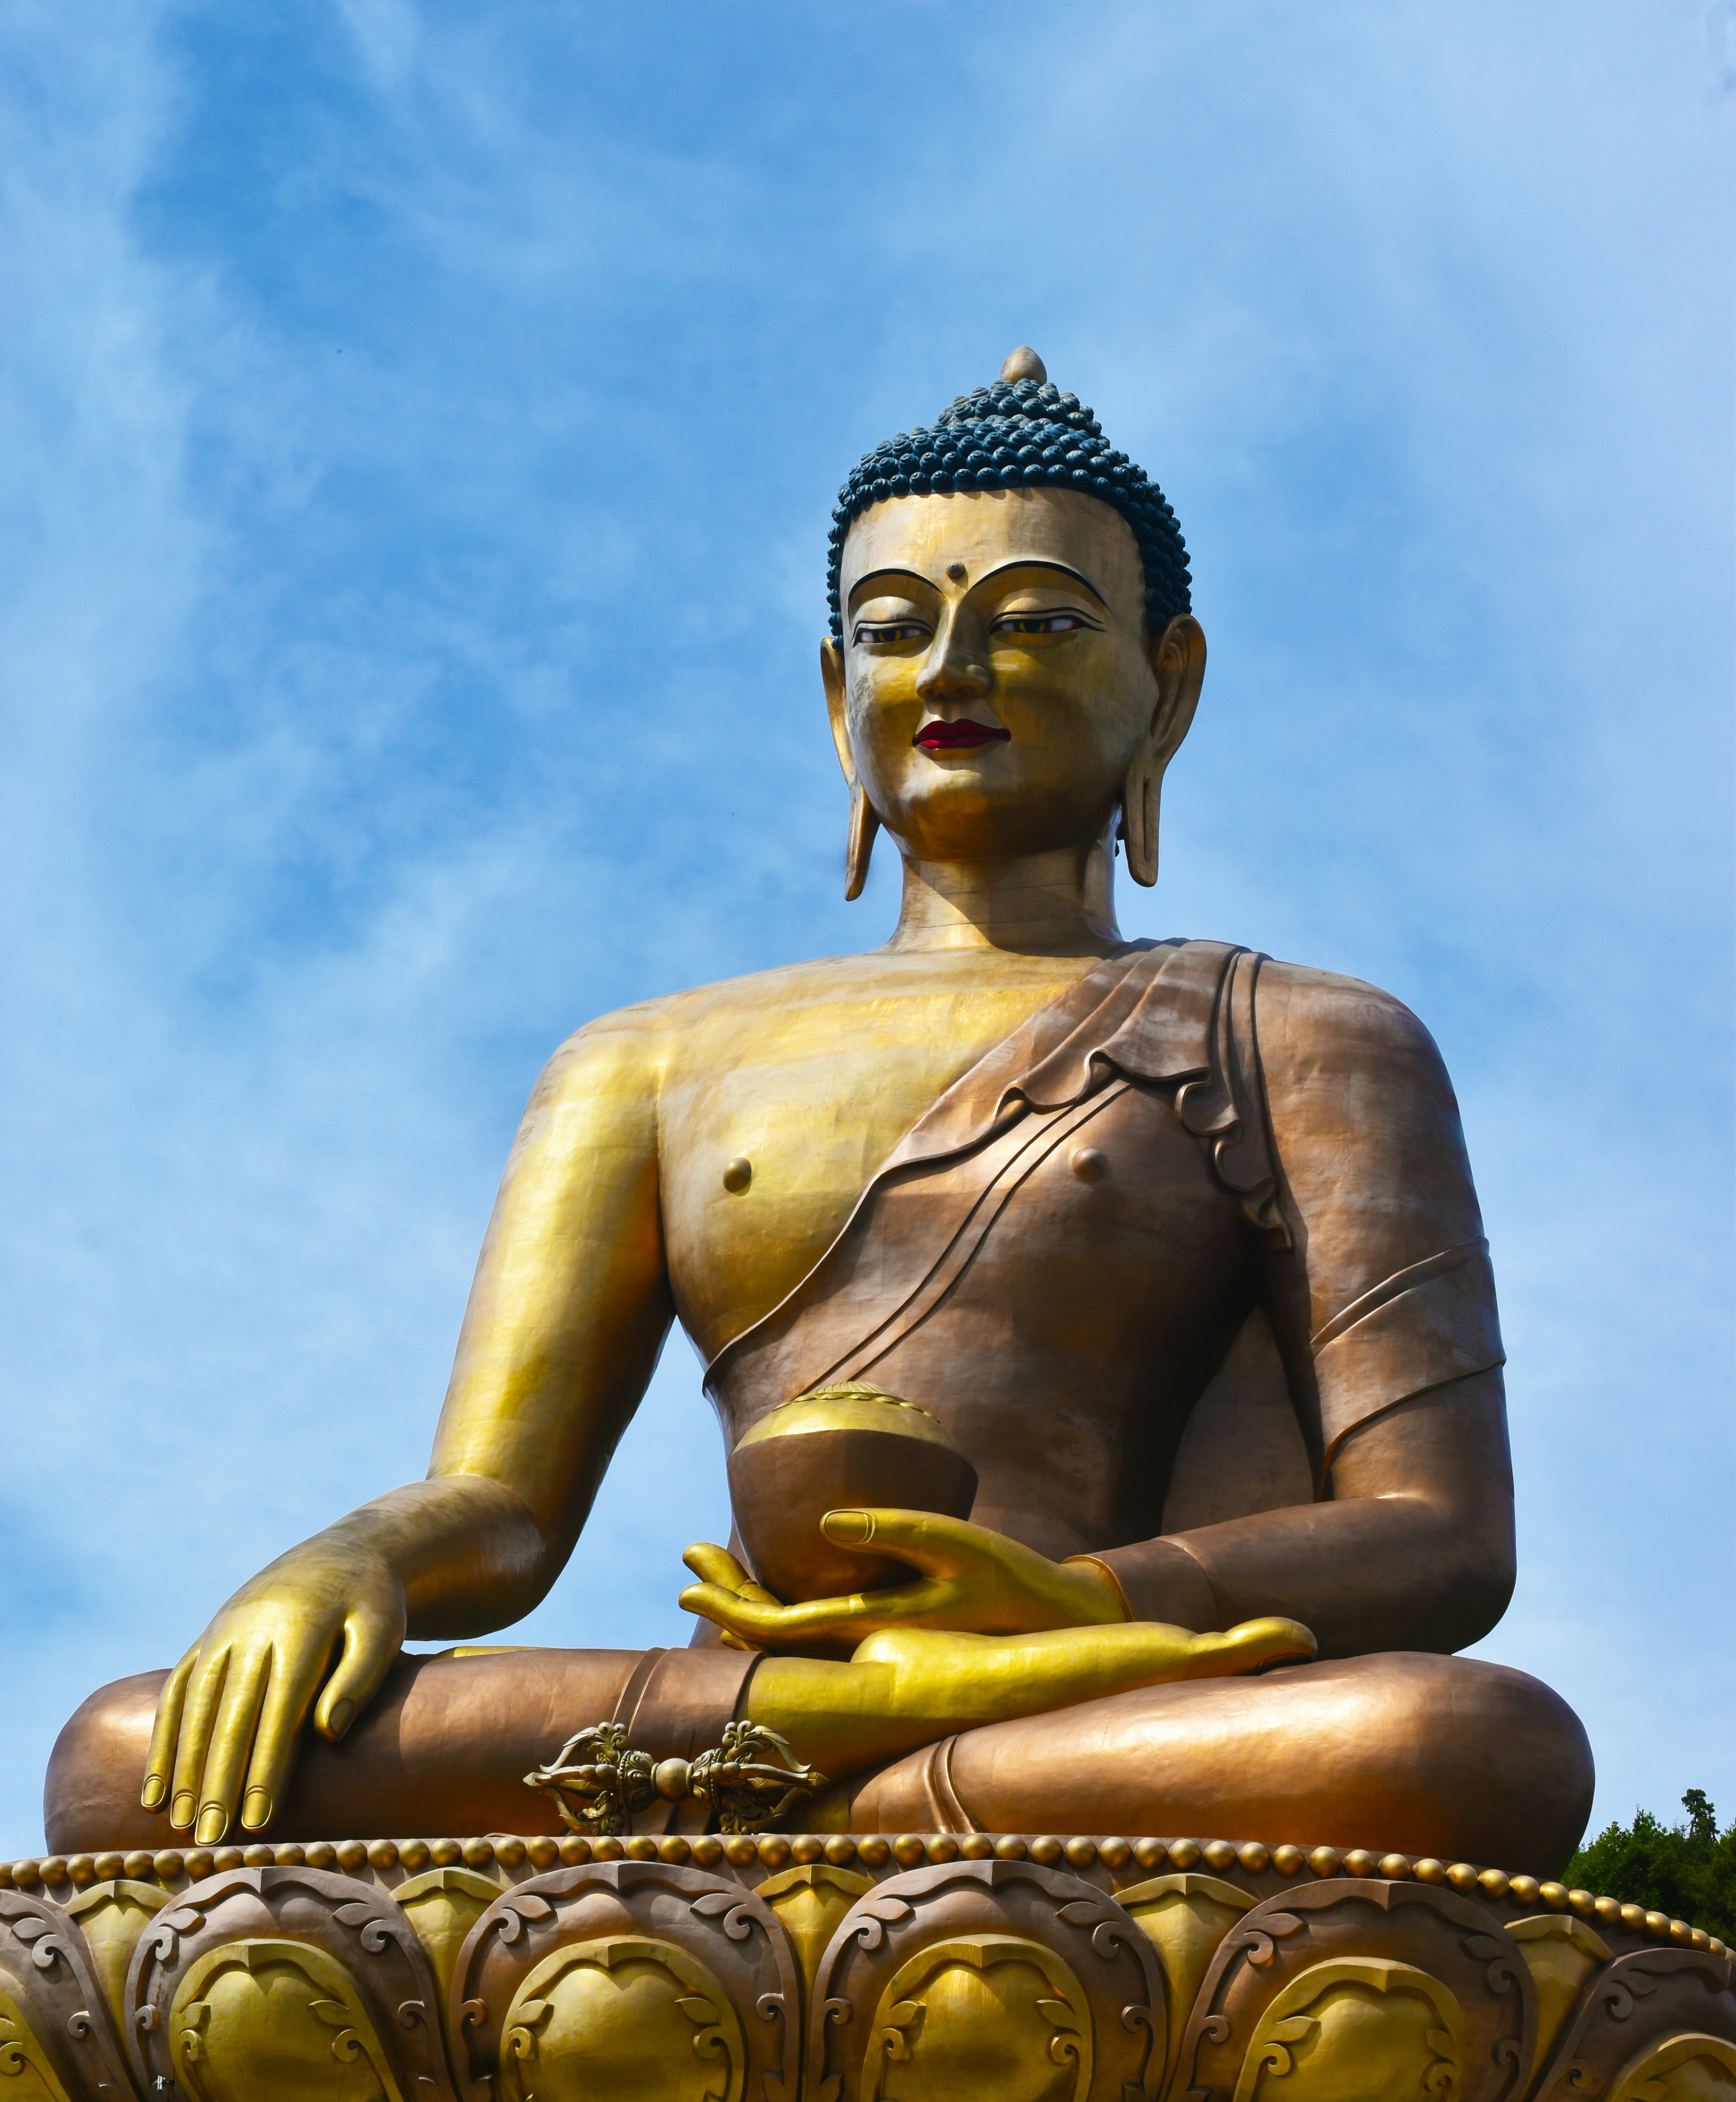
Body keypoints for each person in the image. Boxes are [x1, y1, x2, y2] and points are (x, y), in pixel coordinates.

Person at [46, 351, 1593, 1874]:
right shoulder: (646, 1057)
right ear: (833, 692)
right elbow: (504, 1507)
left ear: (1166, 686)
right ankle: (878, 1770)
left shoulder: (1309, 1036)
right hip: (830, 1696)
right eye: (893, 631)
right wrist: (350, 1557)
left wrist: (1068, 1613)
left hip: (1115, 1677)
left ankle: (784, 1813)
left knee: (1460, 1748)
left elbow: (1440, 1534)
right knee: (130, 1760)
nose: (952, 675)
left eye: (1039, 622)